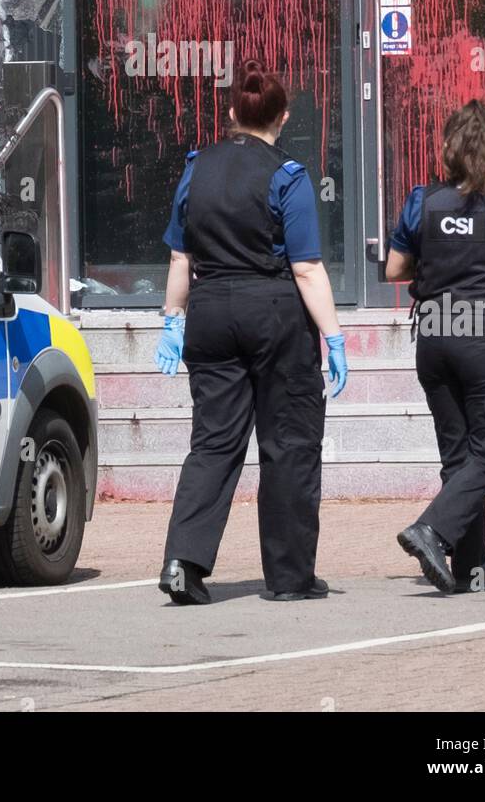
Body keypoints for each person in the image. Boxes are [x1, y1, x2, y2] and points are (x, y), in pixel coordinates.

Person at [154, 59, 347, 605]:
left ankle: (183, 562)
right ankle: (289, 578)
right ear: (282, 118)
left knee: (213, 442)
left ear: (232, 113)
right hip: (274, 314)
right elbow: (306, 269)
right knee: (288, 443)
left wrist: (172, 320)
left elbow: (180, 257)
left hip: (210, 312)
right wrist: (333, 336)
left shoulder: (196, 169)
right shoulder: (289, 176)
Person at [386, 99, 485, 594]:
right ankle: (431, 529)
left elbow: (394, 269)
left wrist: (435, 267)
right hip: (482, 334)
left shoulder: (422, 201)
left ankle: (471, 570)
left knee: (459, 455)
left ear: (446, 149)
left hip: (433, 334)